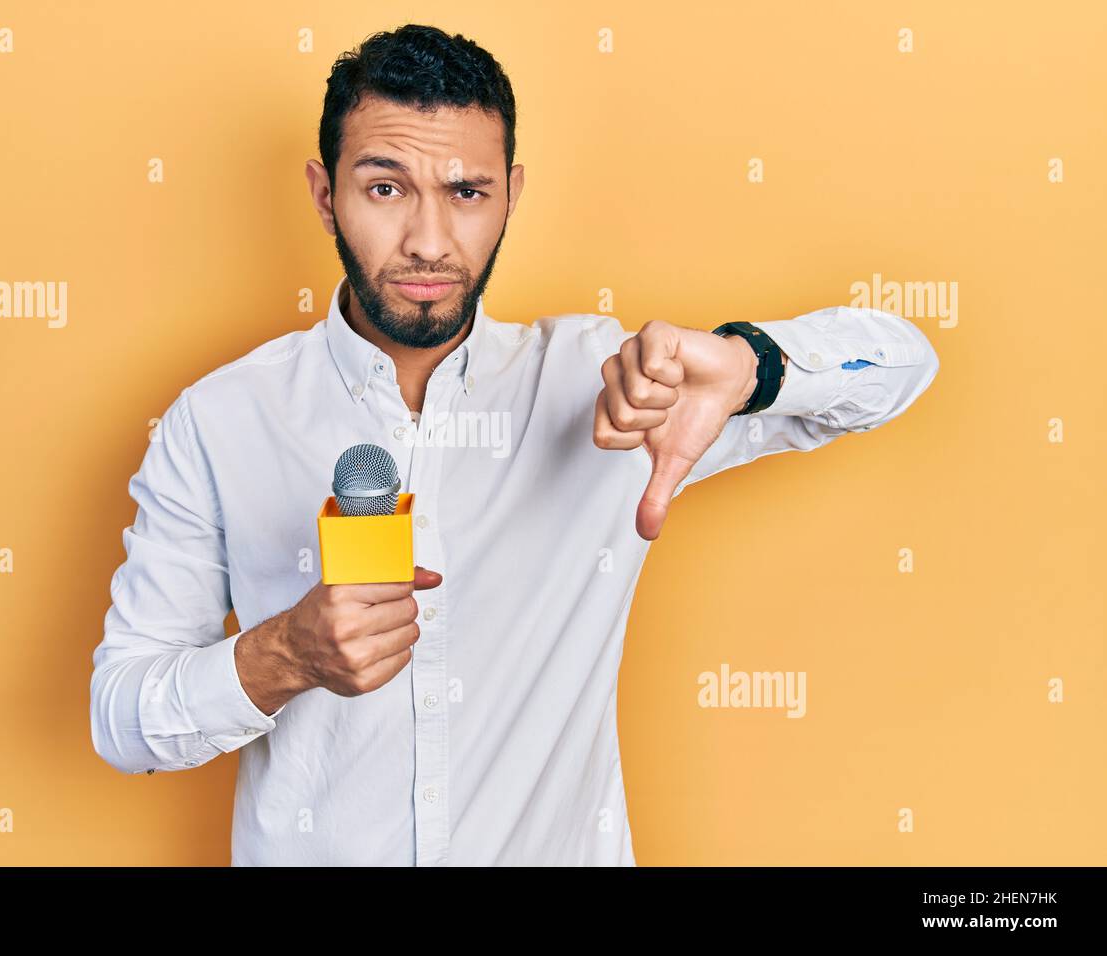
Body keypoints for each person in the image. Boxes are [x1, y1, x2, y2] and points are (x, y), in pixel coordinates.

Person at [89, 24, 939, 865]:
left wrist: (753, 363)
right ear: (325, 195)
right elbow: (120, 719)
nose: (428, 240)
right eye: (386, 189)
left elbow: (904, 361)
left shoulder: (611, 390)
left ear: (510, 195)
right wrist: (282, 654)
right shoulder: (220, 421)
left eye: (466, 192)